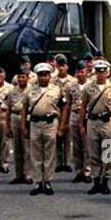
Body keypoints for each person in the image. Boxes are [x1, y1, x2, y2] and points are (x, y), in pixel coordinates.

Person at [23, 63, 69, 196]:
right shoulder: (30, 90)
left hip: (51, 123)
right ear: (37, 76)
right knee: (36, 154)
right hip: (36, 123)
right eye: (41, 75)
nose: (43, 77)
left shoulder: (56, 90)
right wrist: (23, 127)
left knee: (49, 154)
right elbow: (24, 109)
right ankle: (38, 181)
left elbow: (64, 107)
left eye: (46, 75)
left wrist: (62, 126)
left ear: (50, 76)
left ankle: (48, 181)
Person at [79, 59, 111, 195]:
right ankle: (96, 182)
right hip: (93, 122)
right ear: (95, 73)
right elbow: (83, 106)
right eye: (98, 72)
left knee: (108, 153)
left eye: (103, 72)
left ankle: (105, 181)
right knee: (94, 153)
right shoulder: (88, 88)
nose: (101, 74)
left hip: (107, 122)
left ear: (107, 73)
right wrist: (81, 124)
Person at [4, 68, 32, 185]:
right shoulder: (12, 91)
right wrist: (8, 127)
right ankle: (18, 175)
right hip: (15, 118)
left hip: (27, 119)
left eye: (23, 77)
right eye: (19, 77)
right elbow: (8, 110)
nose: (21, 79)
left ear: (27, 77)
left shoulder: (32, 90)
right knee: (17, 149)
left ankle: (28, 174)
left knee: (27, 149)